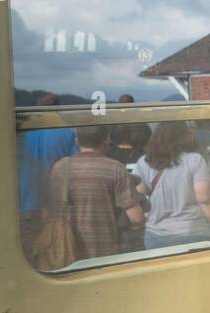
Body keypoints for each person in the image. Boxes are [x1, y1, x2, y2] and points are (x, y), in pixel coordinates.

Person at [44, 124, 143, 263]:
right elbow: (136, 218)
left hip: (65, 250)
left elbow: (50, 208)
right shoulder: (115, 168)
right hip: (104, 253)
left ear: (77, 141)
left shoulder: (60, 167)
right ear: (106, 141)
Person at [135, 123, 210, 250]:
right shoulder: (195, 160)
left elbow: (139, 198)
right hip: (194, 232)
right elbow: (205, 199)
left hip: (156, 235)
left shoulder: (144, 162)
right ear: (185, 138)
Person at [17, 92, 78, 254]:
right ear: (58, 109)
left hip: (27, 202)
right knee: (53, 253)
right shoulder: (68, 133)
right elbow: (75, 165)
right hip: (53, 205)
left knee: (29, 253)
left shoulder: (26, 133)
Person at [107, 93, 151, 166]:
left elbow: (147, 147)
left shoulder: (142, 126)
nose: (124, 110)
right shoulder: (110, 125)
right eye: (122, 107)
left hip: (136, 162)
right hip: (115, 161)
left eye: (126, 106)